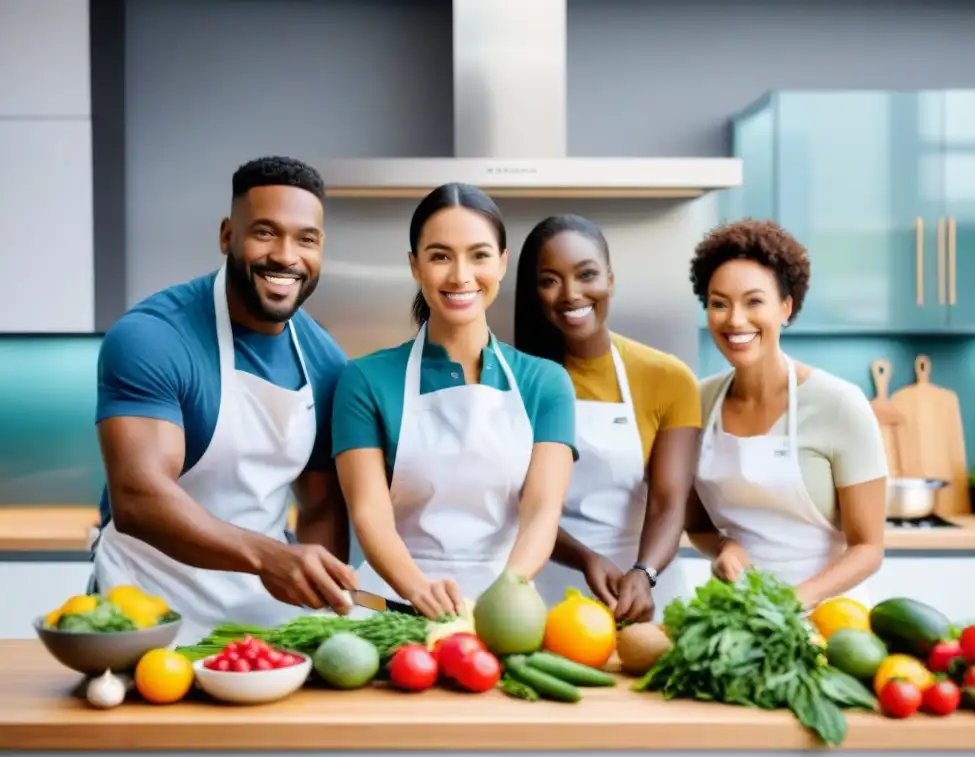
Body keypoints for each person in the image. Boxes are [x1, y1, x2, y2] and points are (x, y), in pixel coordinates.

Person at [91, 156, 358, 645]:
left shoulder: (327, 362)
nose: (286, 255)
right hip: (143, 611)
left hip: (265, 618)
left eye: (306, 239)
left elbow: (320, 507)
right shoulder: (152, 337)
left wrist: (322, 610)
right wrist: (265, 557)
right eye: (264, 232)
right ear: (226, 236)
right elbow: (139, 498)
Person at [332, 183, 577, 619]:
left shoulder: (546, 382)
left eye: (479, 255)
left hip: (505, 608)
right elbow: (369, 514)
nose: (461, 275)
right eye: (440, 256)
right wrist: (418, 591)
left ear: (502, 264)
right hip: (392, 607)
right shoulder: (364, 380)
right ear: (415, 266)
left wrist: (506, 592)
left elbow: (542, 510)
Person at [687, 219, 888, 609]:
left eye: (754, 301)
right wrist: (724, 546)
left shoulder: (839, 405)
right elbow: (695, 524)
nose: (735, 319)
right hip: (740, 621)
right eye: (719, 303)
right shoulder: (699, 401)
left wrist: (790, 606)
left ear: (785, 306)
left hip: (832, 621)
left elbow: (868, 548)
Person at [513, 214, 701, 623]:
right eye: (550, 280)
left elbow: (669, 501)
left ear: (610, 279)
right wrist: (584, 559)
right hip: (539, 594)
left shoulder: (667, 377)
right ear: (534, 293)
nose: (571, 293)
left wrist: (644, 572)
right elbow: (519, 502)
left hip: (648, 592)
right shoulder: (516, 380)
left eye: (586, 274)